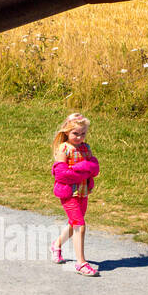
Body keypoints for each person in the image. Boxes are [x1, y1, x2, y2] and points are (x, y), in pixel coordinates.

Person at [49, 112, 100, 276]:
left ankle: (56, 245)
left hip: (83, 192)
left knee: (73, 224)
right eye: (75, 134)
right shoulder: (64, 149)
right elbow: (62, 174)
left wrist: (81, 171)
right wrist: (83, 171)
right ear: (66, 132)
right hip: (68, 194)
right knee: (80, 225)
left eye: (83, 133)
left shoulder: (86, 148)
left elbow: (94, 168)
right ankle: (81, 263)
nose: (79, 137)